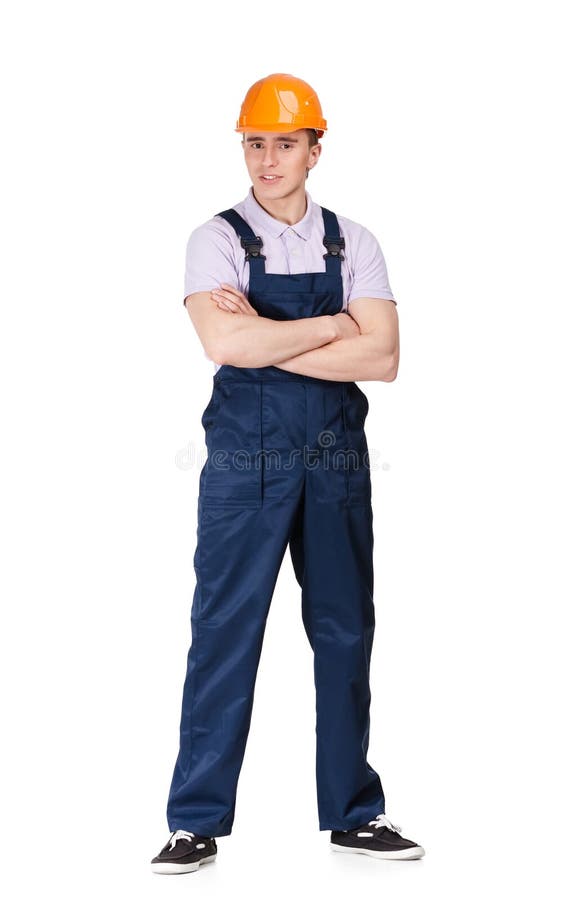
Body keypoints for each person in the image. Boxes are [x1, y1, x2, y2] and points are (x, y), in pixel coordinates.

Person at [151, 73, 424, 874]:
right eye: (255, 143)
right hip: (244, 462)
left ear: (315, 148)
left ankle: (353, 814)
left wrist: (280, 331)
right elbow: (226, 346)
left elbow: (384, 358)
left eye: (284, 143)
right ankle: (193, 821)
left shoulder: (356, 241)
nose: (267, 159)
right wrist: (337, 323)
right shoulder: (217, 238)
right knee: (225, 631)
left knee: (345, 631)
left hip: (335, 460)